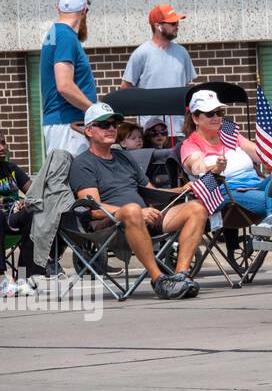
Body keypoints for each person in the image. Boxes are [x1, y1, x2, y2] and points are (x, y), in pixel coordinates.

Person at [68, 103, 207, 300]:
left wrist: (180, 190)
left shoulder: (124, 157)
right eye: (104, 124)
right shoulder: (83, 163)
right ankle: (158, 280)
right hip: (110, 227)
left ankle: (180, 276)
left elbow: (150, 191)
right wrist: (135, 212)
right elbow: (93, 209)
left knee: (196, 208)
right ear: (89, 130)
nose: (111, 129)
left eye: (114, 124)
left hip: (144, 219)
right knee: (132, 209)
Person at [179, 90, 272, 218]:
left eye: (219, 112)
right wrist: (214, 168)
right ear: (195, 118)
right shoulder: (190, 144)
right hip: (227, 193)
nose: (216, 118)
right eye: (210, 114)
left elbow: (259, 154)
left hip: (255, 184)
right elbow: (197, 168)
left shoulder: (228, 131)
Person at [120, 4, 197, 143]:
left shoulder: (182, 53)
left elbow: (188, 88)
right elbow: (125, 88)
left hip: (179, 129)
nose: (177, 26)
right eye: (173, 23)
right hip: (151, 131)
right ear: (157, 26)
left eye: (177, 23)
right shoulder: (141, 53)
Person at [39, 0, 97, 159]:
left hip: (64, 124)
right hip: (68, 125)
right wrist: (94, 110)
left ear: (58, 9)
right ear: (85, 11)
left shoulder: (56, 32)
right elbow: (64, 86)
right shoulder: (66, 36)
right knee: (71, 183)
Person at [0, 132, 37, 296]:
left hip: (12, 219)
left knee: (35, 211)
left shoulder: (11, 169)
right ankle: (1, 279)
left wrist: (27, 201)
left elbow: (34, 192)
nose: (2, 148)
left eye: (3, 143)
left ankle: (22, 277)